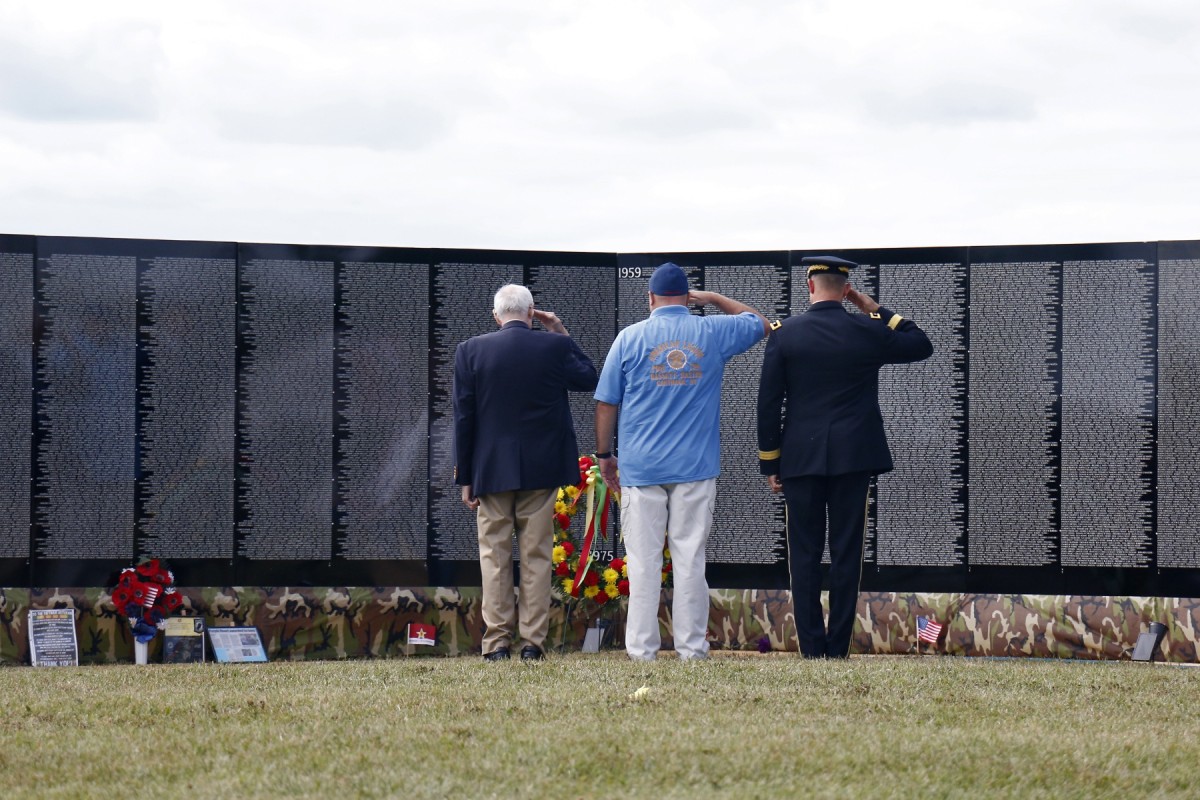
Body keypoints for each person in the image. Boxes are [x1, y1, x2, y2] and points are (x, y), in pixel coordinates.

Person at [757, 255, 933, 659]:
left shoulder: (786, 334)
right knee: (846, 553)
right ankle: (837, 649)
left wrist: (771, 461)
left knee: (803, 555)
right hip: (854, 458)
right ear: (846, 289)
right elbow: (921, 343)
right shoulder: (865, 329)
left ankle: (812, 650)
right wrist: (875, 310)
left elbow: (768, 404)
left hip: (800, 460)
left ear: (810, 286)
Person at [595, 262, 771, 661]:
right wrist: (712, 299)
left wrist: (605, 456)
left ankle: (642, 652)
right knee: (690, 559)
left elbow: (606, 402)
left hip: (641, 468)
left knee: (643, 562)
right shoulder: (711, 331)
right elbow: (759, 322)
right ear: (688, 298)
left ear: (650, 298)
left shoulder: (629, 338)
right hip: (694, 467)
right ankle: (692, 649)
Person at [453, 284, 598, 662]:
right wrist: (560, 331)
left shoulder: (471, 351)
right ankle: (533, 643)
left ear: (495, 315)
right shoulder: (554, 346)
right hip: (542, 467)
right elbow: (589, 378)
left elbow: (464, 417)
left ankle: (497, 642)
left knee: (494, 555)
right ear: (532, 312)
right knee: (536, 555)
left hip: (491, 469)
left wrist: (465, 475)